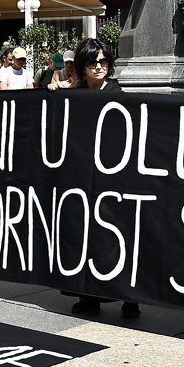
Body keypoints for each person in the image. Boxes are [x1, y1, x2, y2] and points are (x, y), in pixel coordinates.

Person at [56, 38, 138, 319]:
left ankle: (129, 297)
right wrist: (55, 93)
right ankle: (89, 295)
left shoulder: (117, 92)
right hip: (81, 177)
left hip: (113, 178)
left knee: (116, 235)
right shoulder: (73, 92)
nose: (100, 67)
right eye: (93, 62)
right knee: (85, 235)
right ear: (83, 66)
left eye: (104, 61)